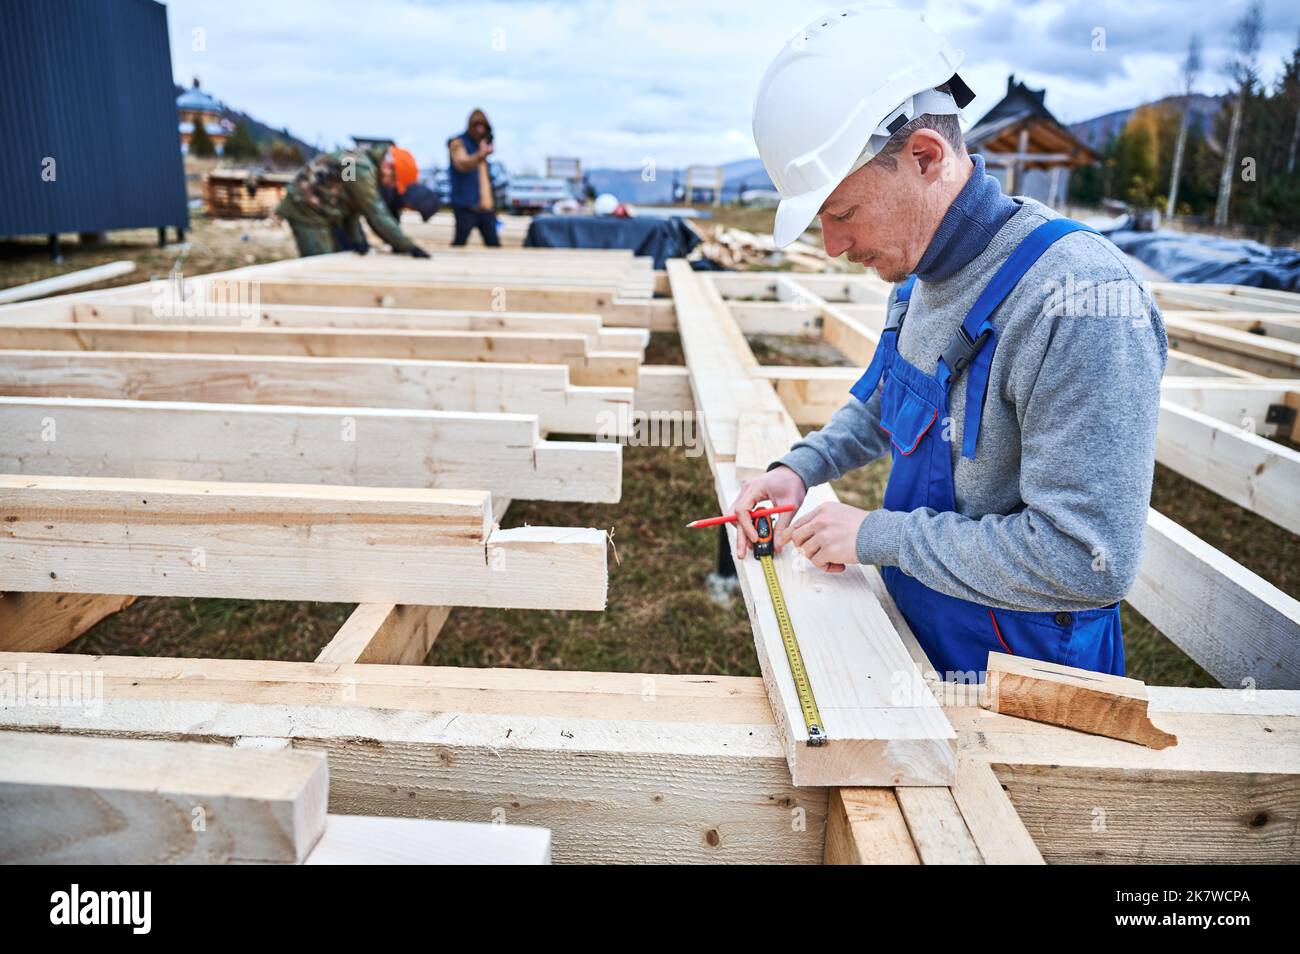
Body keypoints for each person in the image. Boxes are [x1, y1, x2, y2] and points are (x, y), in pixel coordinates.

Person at [731, 4, 1167, 680]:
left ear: (926, 158)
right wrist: (799, 469)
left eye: (842, 214)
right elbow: (888, 403)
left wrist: (878, 536)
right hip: (923, 633)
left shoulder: (1078, 302)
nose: (835, 246)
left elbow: (1085, 560)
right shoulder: (920, 273)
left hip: (1030, 679)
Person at [277, 140, 430, 257]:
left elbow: (349, 201)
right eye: (393, 181)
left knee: (336, 258)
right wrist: (408, 246)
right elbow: (375, 212)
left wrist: (356, 238)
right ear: (387, 167)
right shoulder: (359, 168)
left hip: (323, 210)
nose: (390, 186)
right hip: (306, 208)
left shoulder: (362, 166)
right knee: (322, 261)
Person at [447, 108, 500, 247]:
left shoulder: (481, 144)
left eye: (483, 126)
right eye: (477, 126)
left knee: (493, 244)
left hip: (485, 207)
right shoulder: (458, 143)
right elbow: (462, 164)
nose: (480, 130)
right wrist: (479, 154)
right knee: (459, 243)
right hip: (466, 205)